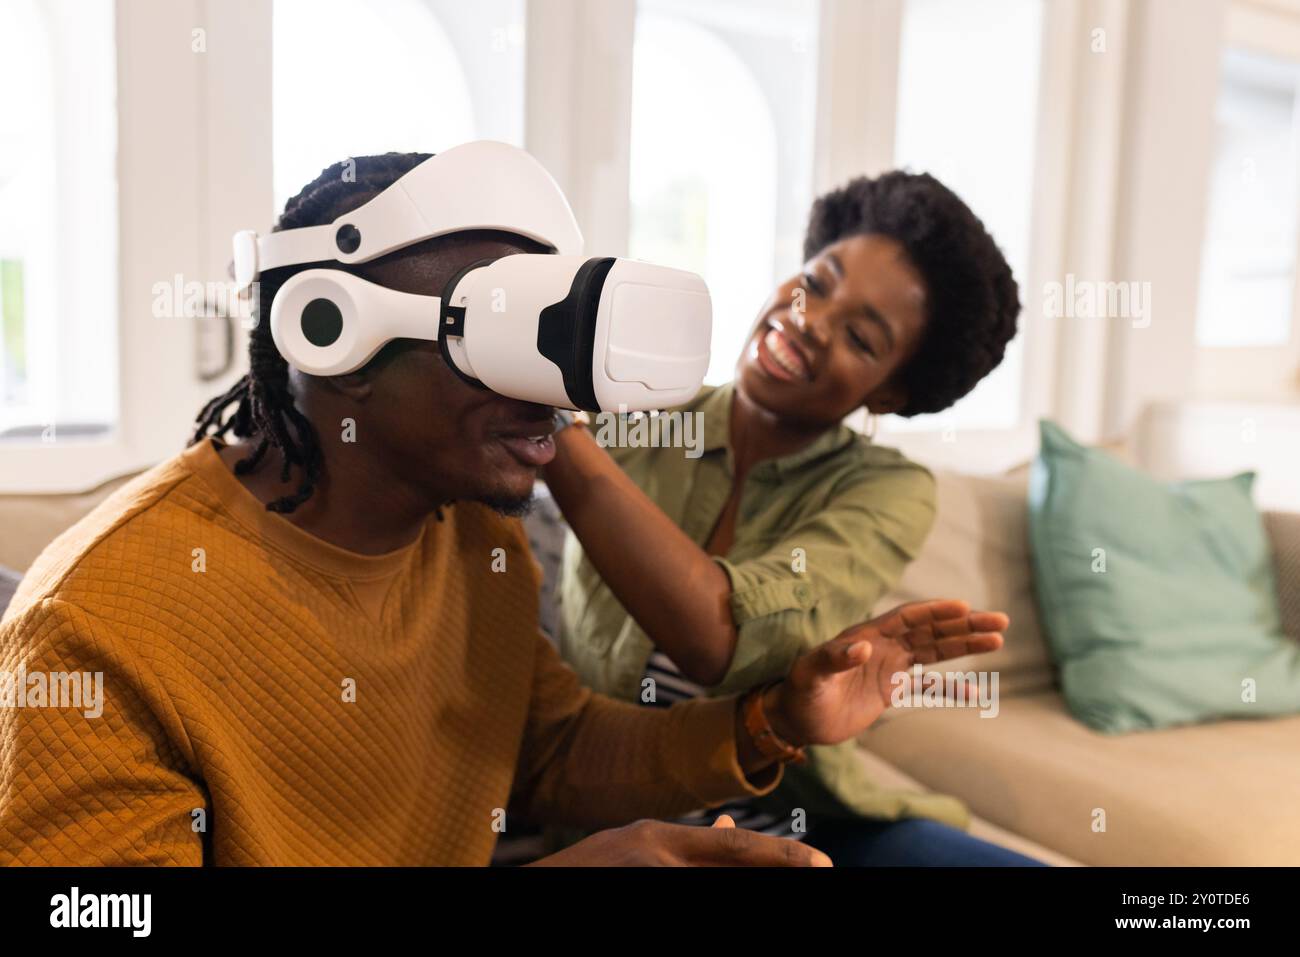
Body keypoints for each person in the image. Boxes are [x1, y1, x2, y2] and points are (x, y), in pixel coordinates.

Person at [0, 153, 1008, 866]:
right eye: (500, 331)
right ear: (329, 332)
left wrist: (771, 719)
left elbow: (553, 750)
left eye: (558, 332)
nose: (557, 387)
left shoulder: (471, 537)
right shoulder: (101, 628)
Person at [547, 170, 1039, 865]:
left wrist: (554, 429)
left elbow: (720, 636)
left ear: (892, 391)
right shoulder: (636, 415)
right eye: (819, 281)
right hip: (620, 822)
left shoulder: (887, 489)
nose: (808, 321)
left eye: (861, 339)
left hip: (801, 816)